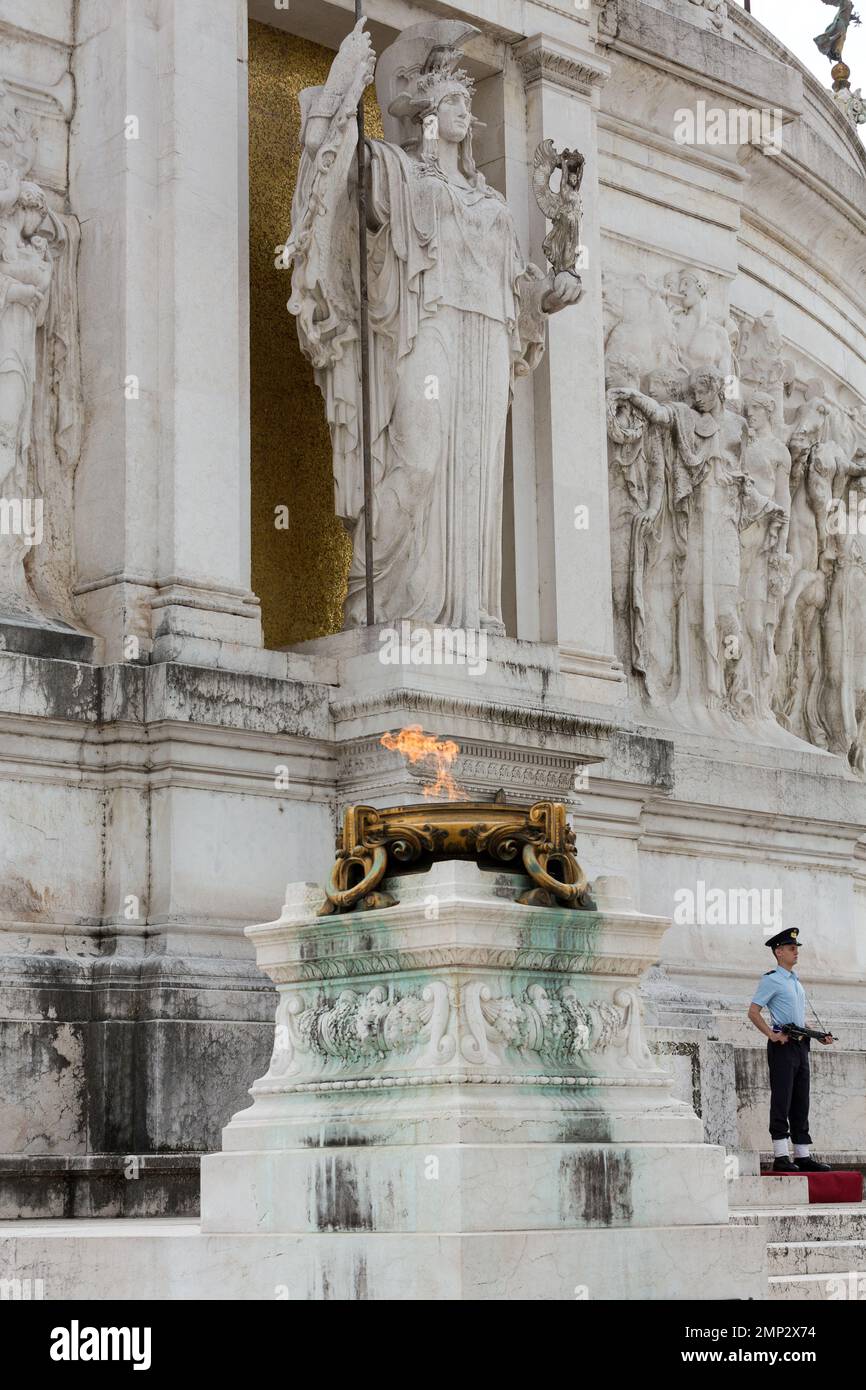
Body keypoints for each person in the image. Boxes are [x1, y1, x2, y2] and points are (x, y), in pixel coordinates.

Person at [747, 927, 834, 1172]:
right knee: (782, 1099)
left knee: (800, 1100)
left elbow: (798, 1018)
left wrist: (817, 1035)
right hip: (783, 1046)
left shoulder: (796, 981)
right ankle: (781, 1154)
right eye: (792, 949)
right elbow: (753, 1012)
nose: (796, 953)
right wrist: (770, 1034)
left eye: (796, 949)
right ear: (779, 951)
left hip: (800, 1045)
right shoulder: (771, 979)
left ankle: (802, 1154)